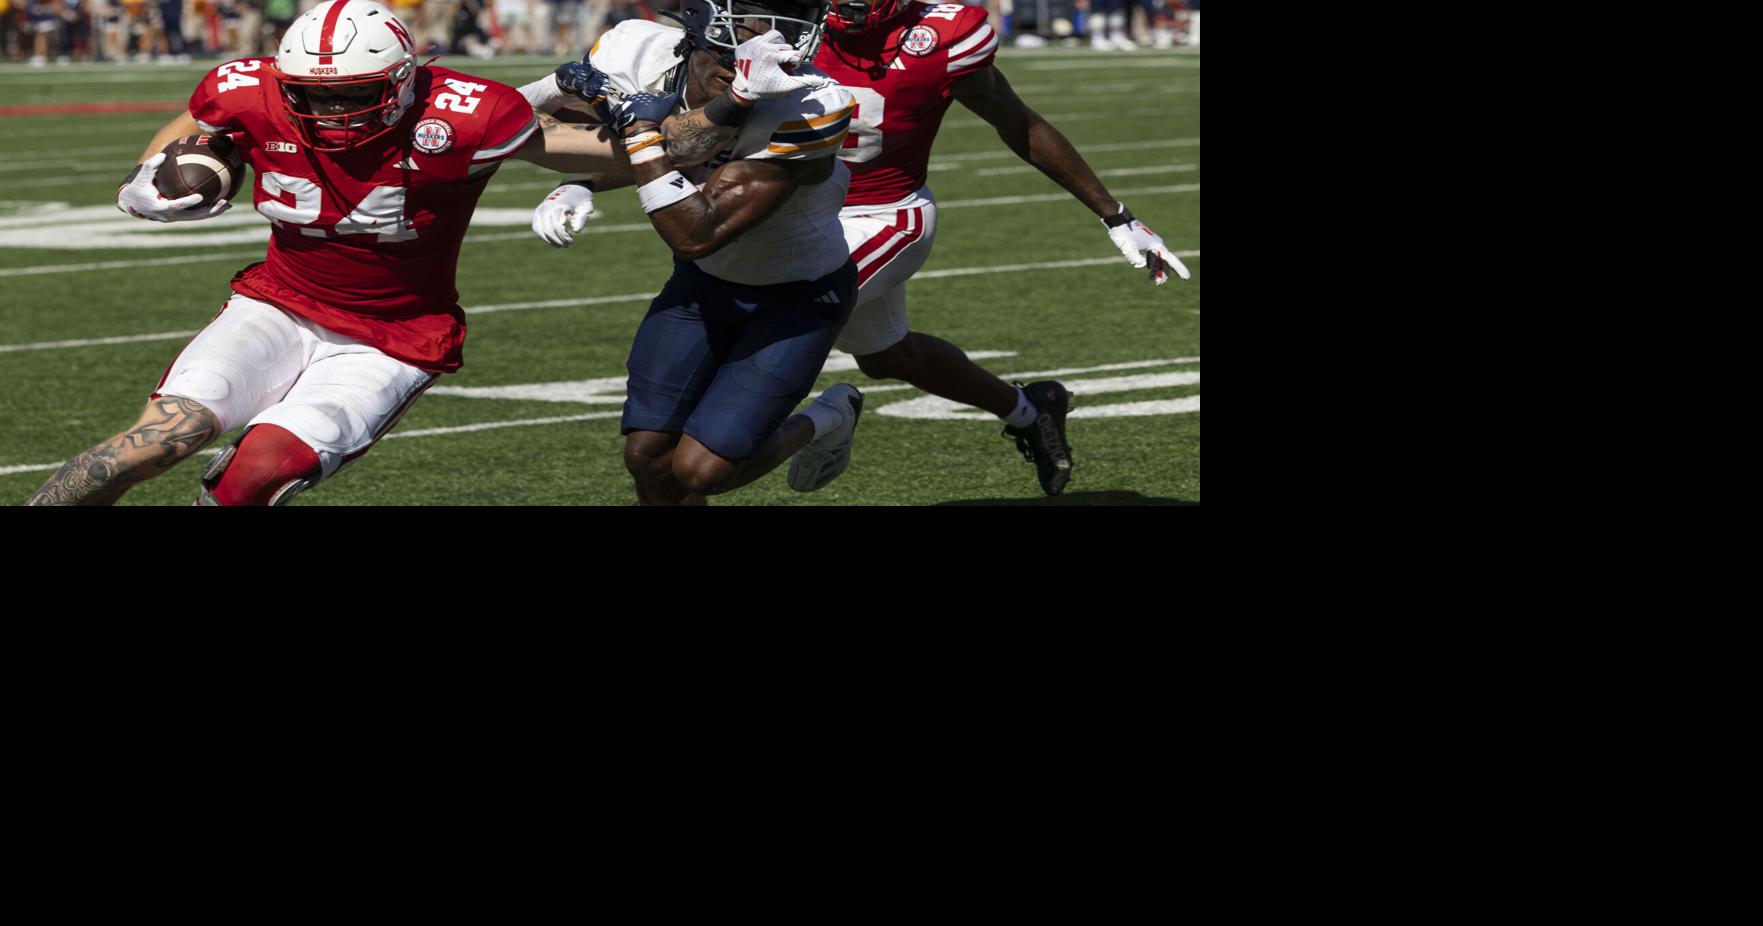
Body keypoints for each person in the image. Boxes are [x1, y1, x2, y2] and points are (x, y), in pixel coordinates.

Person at [28, 0, 625, 506]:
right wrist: (146, 172)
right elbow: (195, 120)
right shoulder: (249, 90)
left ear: (401, 80)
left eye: (352, 94)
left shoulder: (466, 113)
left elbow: (612, 150)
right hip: (277, 304)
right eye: (311, 96)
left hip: (393, 336)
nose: (331, 111)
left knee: (254, 477)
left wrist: (660, 134)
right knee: (148, 445)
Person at [817, 0, 1191, 495]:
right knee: (887, 357)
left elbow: (1018, 122)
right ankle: (1032, 411)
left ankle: (818, 424)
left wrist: (1115, 213)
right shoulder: (781, 20)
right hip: (794, 211)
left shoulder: (943, 36)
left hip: (881, 216)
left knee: (775, 314)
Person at [521, 0, 867, 506]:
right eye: (750, 16)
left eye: (785, 21)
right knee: (647, 457)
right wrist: (583, 179)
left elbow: (697, 231)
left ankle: (825, 419)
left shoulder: (814, 101)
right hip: (702, 283)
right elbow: (533, 119)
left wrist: (638, 134)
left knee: (703, 471)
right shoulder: (638, 49)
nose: (769, 36)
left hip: (797, 297)